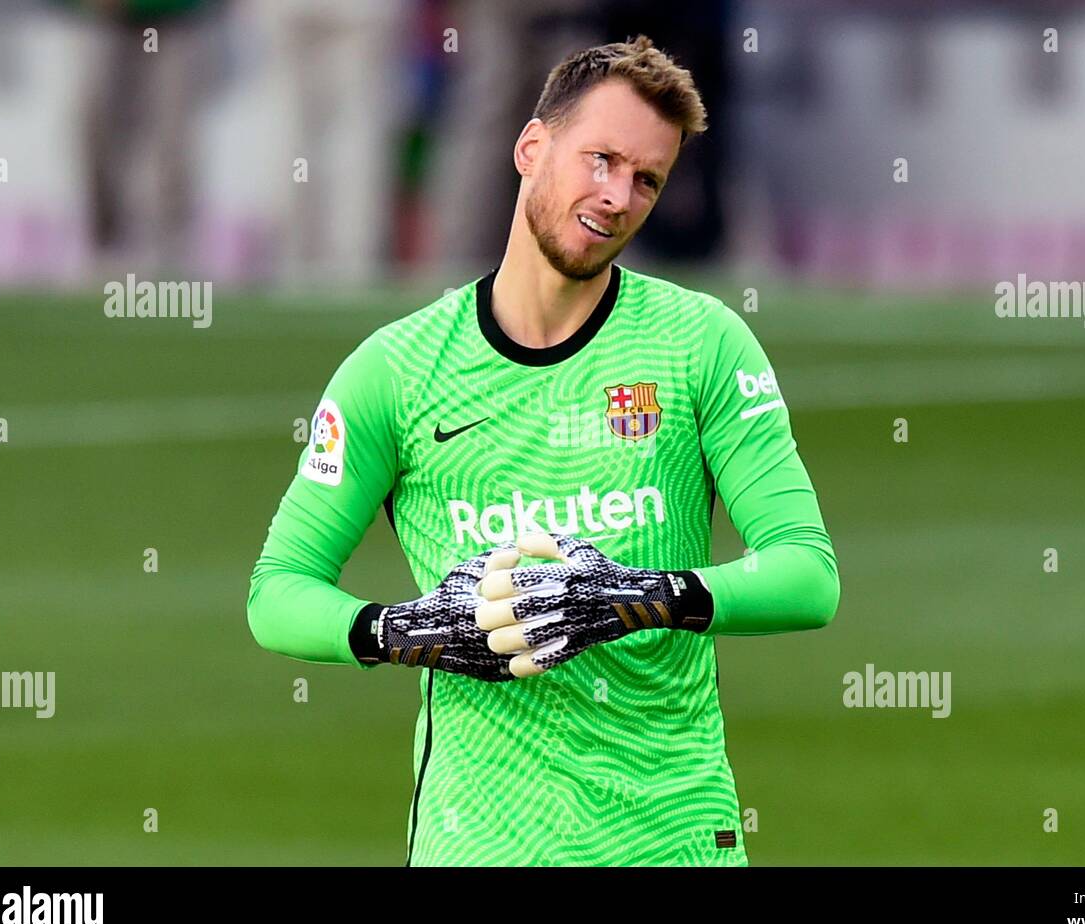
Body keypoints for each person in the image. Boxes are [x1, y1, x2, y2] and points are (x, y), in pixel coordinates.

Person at [247, 35, 840, 866]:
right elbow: (277, 593)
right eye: (599, 159)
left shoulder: (702, 344)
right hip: (478, 845)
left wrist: (640, 596)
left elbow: (808, 577)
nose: (616, 197)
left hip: (668, 840)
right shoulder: (395, 371)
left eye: (646, 180)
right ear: (532, 148)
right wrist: (405, 632)